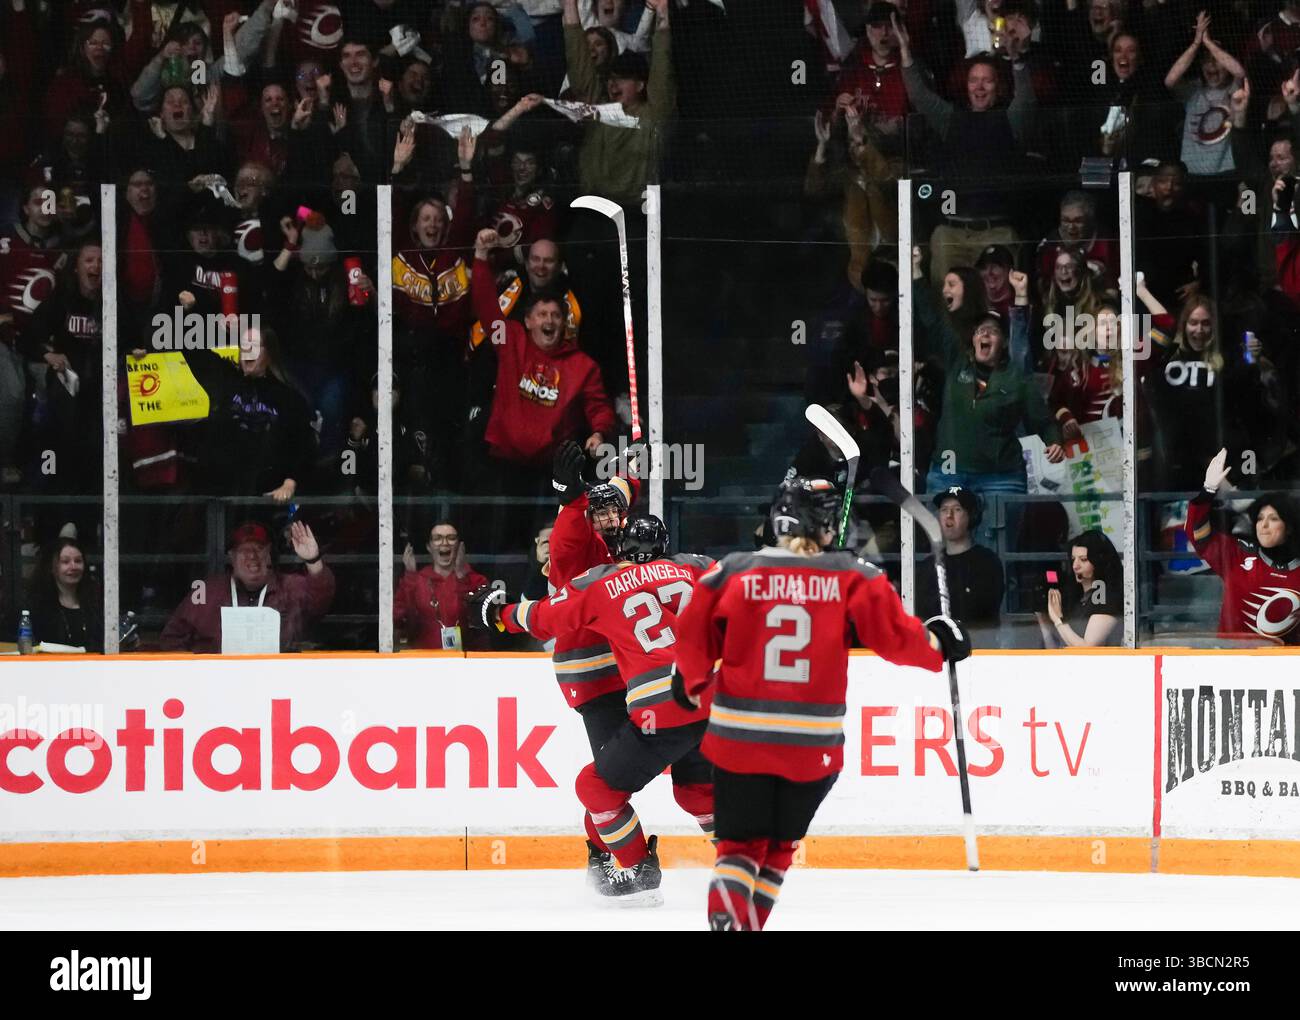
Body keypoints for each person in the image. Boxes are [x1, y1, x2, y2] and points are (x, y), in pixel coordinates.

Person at [671, 477, 969, 931]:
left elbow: (694, 625)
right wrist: (939, 642)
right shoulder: (854, 576)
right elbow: (897, 640)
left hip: (738, 741)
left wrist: (688, 678)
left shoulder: (731, 571)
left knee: (739, 849)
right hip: (812, 750)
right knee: (778, 850)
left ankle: (729, 922)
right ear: (822, 525)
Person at [470, 515, 716, 905]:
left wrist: (497, 616)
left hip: (662, 706)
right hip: (713, 698)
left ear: (621, 550)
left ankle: (639, 870)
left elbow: (543, 619)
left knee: (594, 788)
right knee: (697, 793)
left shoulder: (603, 583)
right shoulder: (693, 567)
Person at [160, 520, 336, 653]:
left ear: (269, 555)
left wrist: (313, 560)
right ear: (232, 557)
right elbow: (171, 639)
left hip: (277, 682)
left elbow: (321, 600)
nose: (252, 556)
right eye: (244, 550)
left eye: (259, 548)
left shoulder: (291, 587)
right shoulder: (208, 592)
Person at [1188, 448, 1300, 643]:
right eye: (1259, 519)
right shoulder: (1237, 556)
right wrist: (1208, 491)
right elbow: (1198, 535)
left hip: (1285, 668)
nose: (1263, 526)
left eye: (1273, 519)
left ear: (1289, 527)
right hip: (1231, 664)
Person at [915, 487, 1004, 643]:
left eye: (957, 509)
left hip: (978, 651)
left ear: (972, 517)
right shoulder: (927, 567)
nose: (949, 515)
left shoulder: (987, 562)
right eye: (944, 510)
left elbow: (982, 613)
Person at [1164, 10, 1245, 178]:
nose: (1212, 66)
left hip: (1226, 172)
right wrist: (1196, 43)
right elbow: (1170, 81)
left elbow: (1239, 72)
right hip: (1192, 174)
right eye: (1206, 60)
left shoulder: (1233, 89)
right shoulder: (1193, 91)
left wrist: (1207, 42)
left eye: (1216, 60)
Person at [394, 522, 488, 650]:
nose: (444, 543)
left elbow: (480, 624)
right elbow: (398, 619)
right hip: (423, 661)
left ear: (461, 546)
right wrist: (410, 577)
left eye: (451, 538)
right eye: (437, 538)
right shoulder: (416, 580)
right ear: (429, 546)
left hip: (465, 662)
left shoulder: (476, 581)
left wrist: (462, 578)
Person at [1036, 528, 1122, 647]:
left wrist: (1058, 620)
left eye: (1083, 560)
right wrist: (1044, 618)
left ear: (1099, 562)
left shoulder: (1106, 598)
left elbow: (1088, 648)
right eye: (1073, 559)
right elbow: (1056, 648)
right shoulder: (1077, 598)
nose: (1075, 566)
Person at [20, 537, 104, 652]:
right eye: (65, 562)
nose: (73, 567)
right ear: (52, 567)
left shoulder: (95, 603)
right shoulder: (38, 605)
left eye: (78, 561)